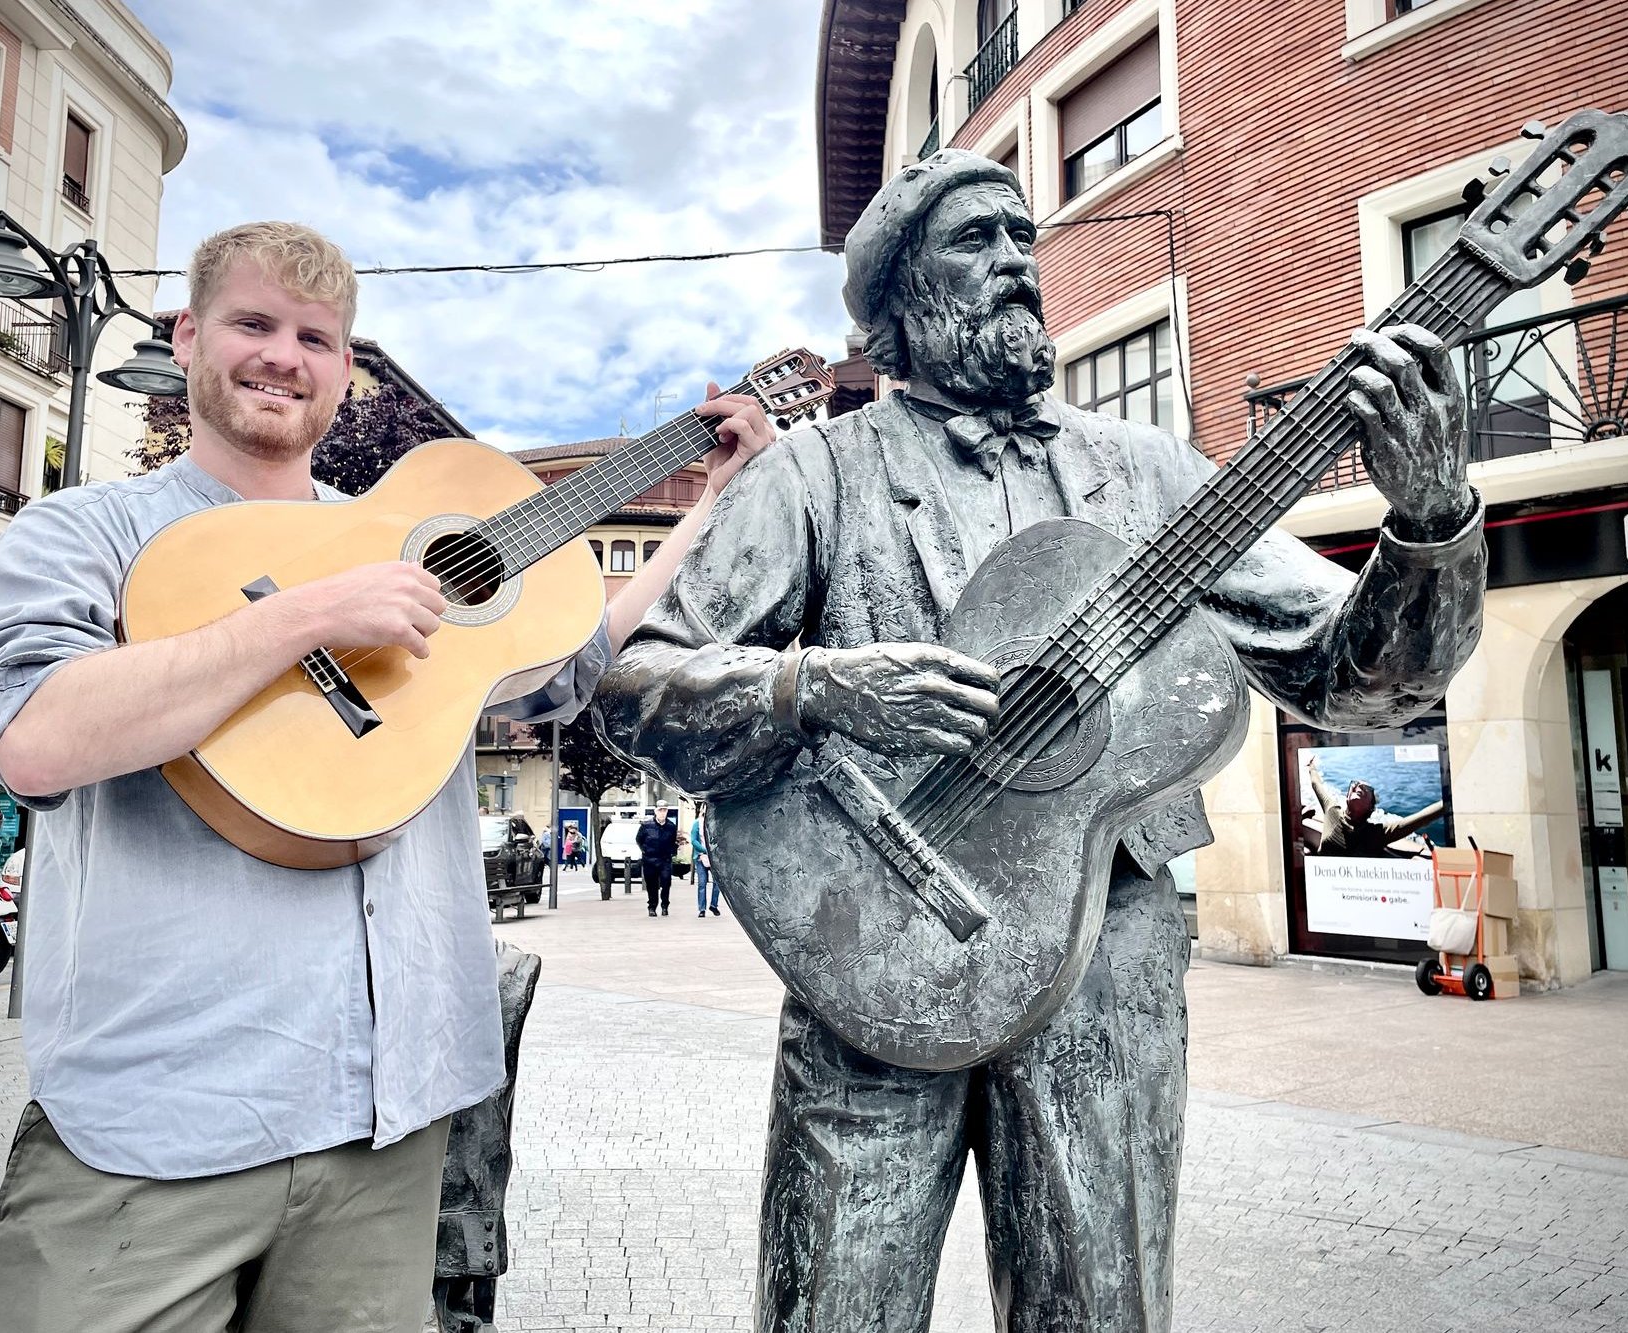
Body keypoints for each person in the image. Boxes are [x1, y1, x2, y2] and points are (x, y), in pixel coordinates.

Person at [591, 151, 1486, 1331]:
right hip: (870, 939)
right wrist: (818, 685)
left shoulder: (1155, 475)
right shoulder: (815, 474)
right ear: (897, 297)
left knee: (1097, 1310)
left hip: (1099, 959)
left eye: (1023, 236)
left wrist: (1426, 524)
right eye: (975, 240)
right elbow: (634, 686)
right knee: (832, 1312)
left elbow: (1355, 687)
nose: (1017, 261)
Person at [0, 220, 775, 1332]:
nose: (283, 355)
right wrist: (310, 615)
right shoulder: (80, 535)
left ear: (346, 370)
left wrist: (711, 502)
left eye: (316, 337)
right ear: (187, 335)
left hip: (386, 1127)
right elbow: (32, 737)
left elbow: (568, 661)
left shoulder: (402, 541)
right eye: (252, 323)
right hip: (153, 1124)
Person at [1305, 754, 1446, 858]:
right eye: (1354, 785)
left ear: (1371, 807)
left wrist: (1450, 801)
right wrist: (1311, 767)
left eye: (1366, 789)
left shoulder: (1376, 833)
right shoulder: (1332, 810)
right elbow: (1317, 785)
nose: (1358, 786)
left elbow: (1421, 818)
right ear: (1347, 796)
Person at [635, 803, 676, 916]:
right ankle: (652, 906)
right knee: (652, 885)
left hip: (665, 860)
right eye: (660, 810)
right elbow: (639, 839)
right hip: (650, 860)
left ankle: (665, 905)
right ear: (655, 811)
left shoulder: (671, 826)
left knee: (666, 882)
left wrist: (671, 851)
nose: (662, 813)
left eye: (664, 810)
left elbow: (673, 841)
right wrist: (645, 850)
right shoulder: (646, 825)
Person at [691, 801, 719, 918]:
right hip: (701, 857)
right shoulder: (697, 823)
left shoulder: (715, 823)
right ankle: (701, 909)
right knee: (702, 883)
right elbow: (693, 840)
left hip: (714, 858)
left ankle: (713, 905)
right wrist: (705, 850)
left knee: (717, 883)